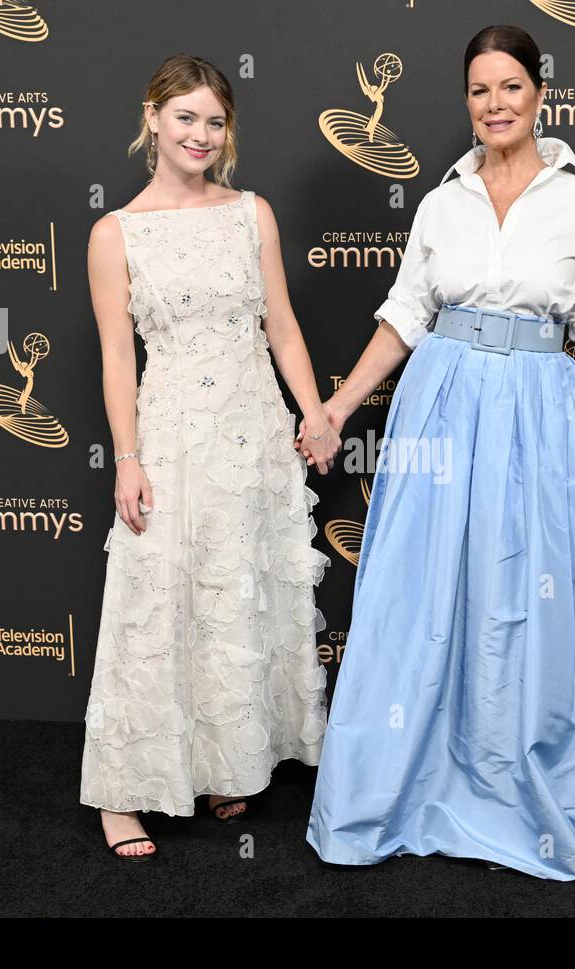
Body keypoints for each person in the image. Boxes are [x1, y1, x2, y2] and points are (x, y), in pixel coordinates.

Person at [300, 25, 575, 881]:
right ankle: (412, 779)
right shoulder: (441, 202)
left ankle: (535, 775)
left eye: (509, 87)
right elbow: (403, 318)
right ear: (465, 101)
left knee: (535, 594)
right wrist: (336, 407)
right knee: (423, 590)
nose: (494, 105)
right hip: (440, 410)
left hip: (543, 412)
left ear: (540, 92)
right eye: (478, 91)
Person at [81, 54, 342, 861]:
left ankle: (232, 761)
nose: (200, 134)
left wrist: (315, 413)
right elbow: (118, 356)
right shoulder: (114, 232)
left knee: (241, 600)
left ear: (229, 131)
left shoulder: (251, 215)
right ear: (153, 118)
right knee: (158, 603)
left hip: (254, 436)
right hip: (170, 439)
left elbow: (284, 327)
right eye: (186, 117)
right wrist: (127, 458)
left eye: (215, 121)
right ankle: (123, 794)